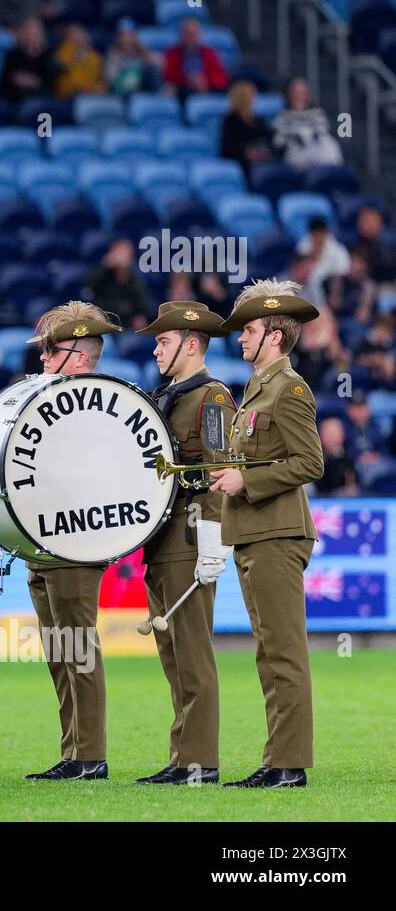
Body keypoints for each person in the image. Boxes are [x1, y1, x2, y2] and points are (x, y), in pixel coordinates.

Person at [210, 280, 324, 788]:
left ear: (275, 337)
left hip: (277, 533)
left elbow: (310, 462)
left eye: (249, 330)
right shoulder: (260, 387)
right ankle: (278, 759)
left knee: (282, 651)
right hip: (258, 532)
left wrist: (246, 479)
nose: (240, 338)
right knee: (269, 650)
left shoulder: (289, 389)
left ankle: (288, 764)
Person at [134, 302, 238, 785]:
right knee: (172, 653)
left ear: (191, 344)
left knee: (192, 653)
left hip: (192, 535)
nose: (155, 349)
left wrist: (215, 539)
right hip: (162, 537)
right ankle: (183, 757)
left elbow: (220, 471)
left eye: (164, 341)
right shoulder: (167, 396)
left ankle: (199, 761)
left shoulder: (212, 397)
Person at [22, 301, 120, 781]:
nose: (42, 358)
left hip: (77, 542)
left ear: (78, 357)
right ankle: (73, 750)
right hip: (43, 542)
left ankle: (91, 754)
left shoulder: (102, 409)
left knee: (79, 647)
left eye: (50, 350)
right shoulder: (49, 404)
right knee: (59, 652)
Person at [272, 77, 344, 173]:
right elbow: (278, 142)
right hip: (296, 152)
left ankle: (333, 175)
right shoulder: (282, 116)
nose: (300, 96)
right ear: (289, 94)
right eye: (296, 92)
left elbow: (324, 132)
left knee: (329, 144)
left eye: (303, 92)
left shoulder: (317, 113)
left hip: (318, 149)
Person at [0, 17, 59, 106]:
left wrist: (35, 82)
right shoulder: (12, 54)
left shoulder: (49, 55)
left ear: (41, 35)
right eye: (28, 32)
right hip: (16, 98)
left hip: (41, 98)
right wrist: (16, 80)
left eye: (35, 33)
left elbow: (52, 83)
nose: (31, 36)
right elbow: (3, 83)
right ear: (22, 34)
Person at [163, 17, 229, 99]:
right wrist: (188, 80)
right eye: (187, 34)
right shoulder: (172, 53)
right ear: (181, 34)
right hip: (183, 88)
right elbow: (168, 75)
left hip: (207, 87)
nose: (190, 38)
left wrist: (205, 80)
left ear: (199, 35)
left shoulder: (209, 53)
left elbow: (220, 76)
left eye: (193, 34)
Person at [220, 80, 274, 179]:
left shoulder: (258, 120)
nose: (254, 99)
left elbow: (268, 139)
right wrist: (246, 152)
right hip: (241, 163)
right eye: (251, 96)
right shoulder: (230, 121)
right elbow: (227, 148)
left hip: (262, 160)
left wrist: (263, 152)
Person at [53, 23, 105, 98]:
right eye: (72, 34)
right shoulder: (65, 50)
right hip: (68, 94)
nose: (76, 37)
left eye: (80, 34)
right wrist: (76, 58)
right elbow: (61, 67)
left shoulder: (95, 57)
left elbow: (98, 79)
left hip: (89, 93)